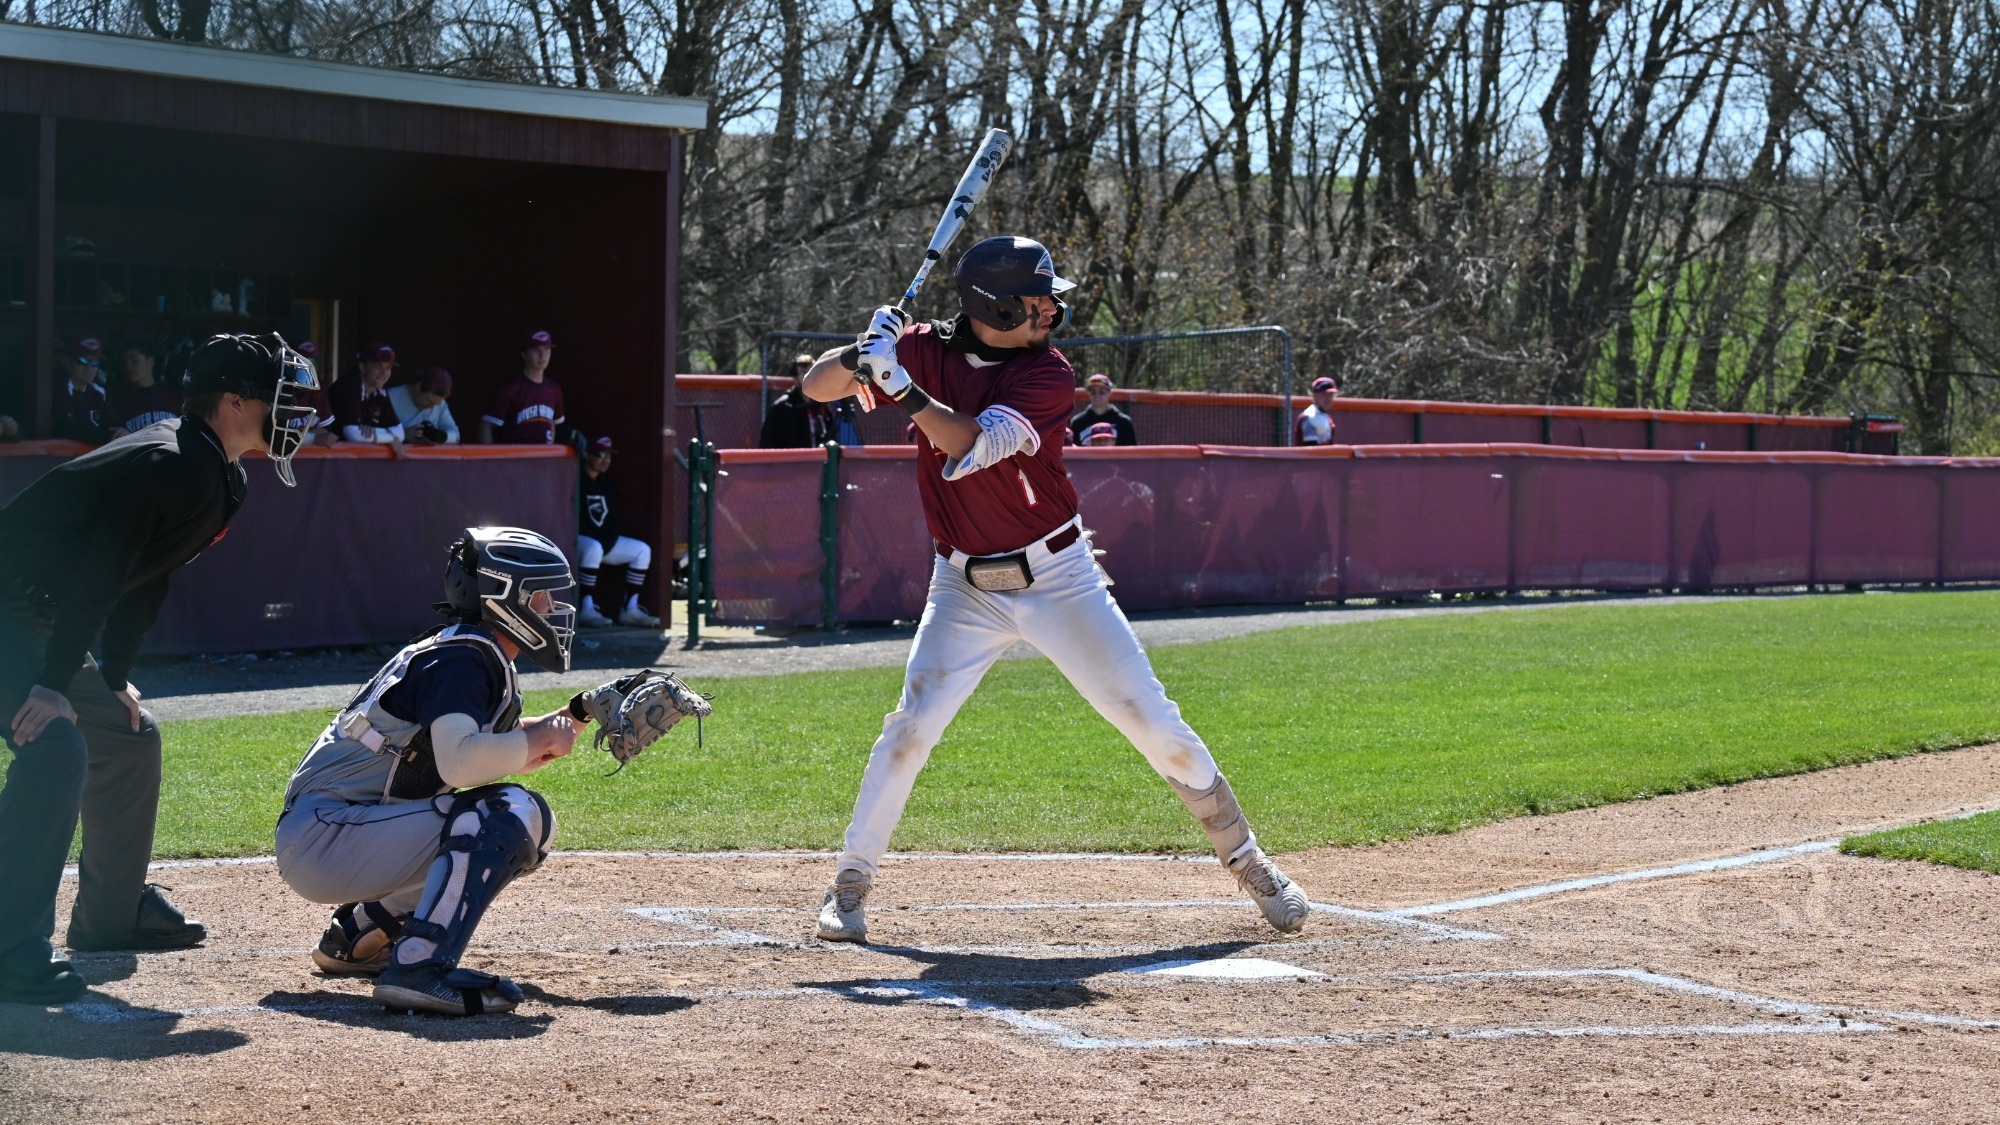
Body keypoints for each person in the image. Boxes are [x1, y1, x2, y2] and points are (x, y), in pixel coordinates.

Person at [800, 235, 1309, 943]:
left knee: (1153, 721)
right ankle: (848, 885)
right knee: (911, 726)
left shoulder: (1048, 375)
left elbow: (966, 443)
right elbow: (813, 387)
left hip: (1059, 578)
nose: (1051, 308)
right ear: (993, 304)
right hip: (961, 585)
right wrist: (861, 353)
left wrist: (899, 385)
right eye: (1037, 297)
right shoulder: (918, 350)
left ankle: (1250, 860)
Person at [0, 333, 317, 1005]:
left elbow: (146, 572)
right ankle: (8, 944)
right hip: (11, 609)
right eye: (279, 399)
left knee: (128, 736)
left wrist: (112, 676)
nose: (295, 412)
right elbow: (103, 565)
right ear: (234, 402)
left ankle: (111, 913)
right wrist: (55, 684)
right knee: (56, 747)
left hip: (34, 617)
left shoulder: (216, 470)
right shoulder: (177, 461)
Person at [276, 527, 580, 1016]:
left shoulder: (464, 649)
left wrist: (579, 716)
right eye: (539, 595)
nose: (549, 608)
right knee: (509, 816)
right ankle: (419, 967)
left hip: (336, 831)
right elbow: (461, 761)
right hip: (330, 834)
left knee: (522, 825)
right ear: (504, 597)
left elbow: (490, 750)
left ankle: (361, 933)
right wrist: (541, 738)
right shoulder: (463, 657)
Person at [575, 436, 661, 628]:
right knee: (594, 547)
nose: (605, 461)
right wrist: (600, 540)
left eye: (609, 456)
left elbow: (613, 518)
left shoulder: (608, 483)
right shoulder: (576, 479)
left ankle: (630, 609)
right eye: (600, 455)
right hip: (578, 541)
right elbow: (575, 518)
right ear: (586, 454)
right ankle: (586, 608)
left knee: (642, 550)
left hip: (602, 543)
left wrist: (609, 539)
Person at [479, 329, 565, 444]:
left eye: (546, 349)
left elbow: (552, 424)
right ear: (524, 354)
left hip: (543, 459)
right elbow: (486, 425)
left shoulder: (554, 389)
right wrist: (488, 459)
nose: (542, 355)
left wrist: (550, 450)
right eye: (536, 350)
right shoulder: (511, 388)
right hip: (516, 459)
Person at [336, 342, 406, 454]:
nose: (384, 373)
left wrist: (374, 432)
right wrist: (391, 438)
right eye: (379, 366)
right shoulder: (348, 387)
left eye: (388, 368)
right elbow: (353, 435)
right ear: (362, 366)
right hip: (336, 461)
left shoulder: (379, 391)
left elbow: (400, 433)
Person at [106, 340, 182, 436]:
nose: (128, 367)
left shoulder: (173, 396)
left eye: (134, 361)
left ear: (150, 362)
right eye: (124, 363)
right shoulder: (118, 400)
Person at [52, 337, 110, 445]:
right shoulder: (57, 390)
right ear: (67, 361)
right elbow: (67, 430)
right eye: (83, 361)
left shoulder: (100, 393)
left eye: (95, 362)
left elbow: (114, 426)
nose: (89, 367)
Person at [389, 366, 461, 444]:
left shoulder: (440, 405)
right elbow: (376, 433)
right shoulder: (390, 398)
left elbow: (456, 436)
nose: (432, 407)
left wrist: (439, 437)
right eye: (429, 400)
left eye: (436, 404)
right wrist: (403, 434)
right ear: (418, 386)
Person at [1068, 373, 1137, 447]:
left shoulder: (1124, 422)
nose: (1097, 396)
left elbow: (1132, 454)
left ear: (1109, 393)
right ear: (1088, 394)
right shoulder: (1077, 423)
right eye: (1093, 392)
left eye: (1102, 392)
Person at [1294, 376, 1339, 445]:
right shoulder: (1309, 417)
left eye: (1331, 394)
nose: (1328, 398)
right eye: (1324, 394)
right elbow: (1311, 451)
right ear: (1314, 395)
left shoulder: (1325, 416)